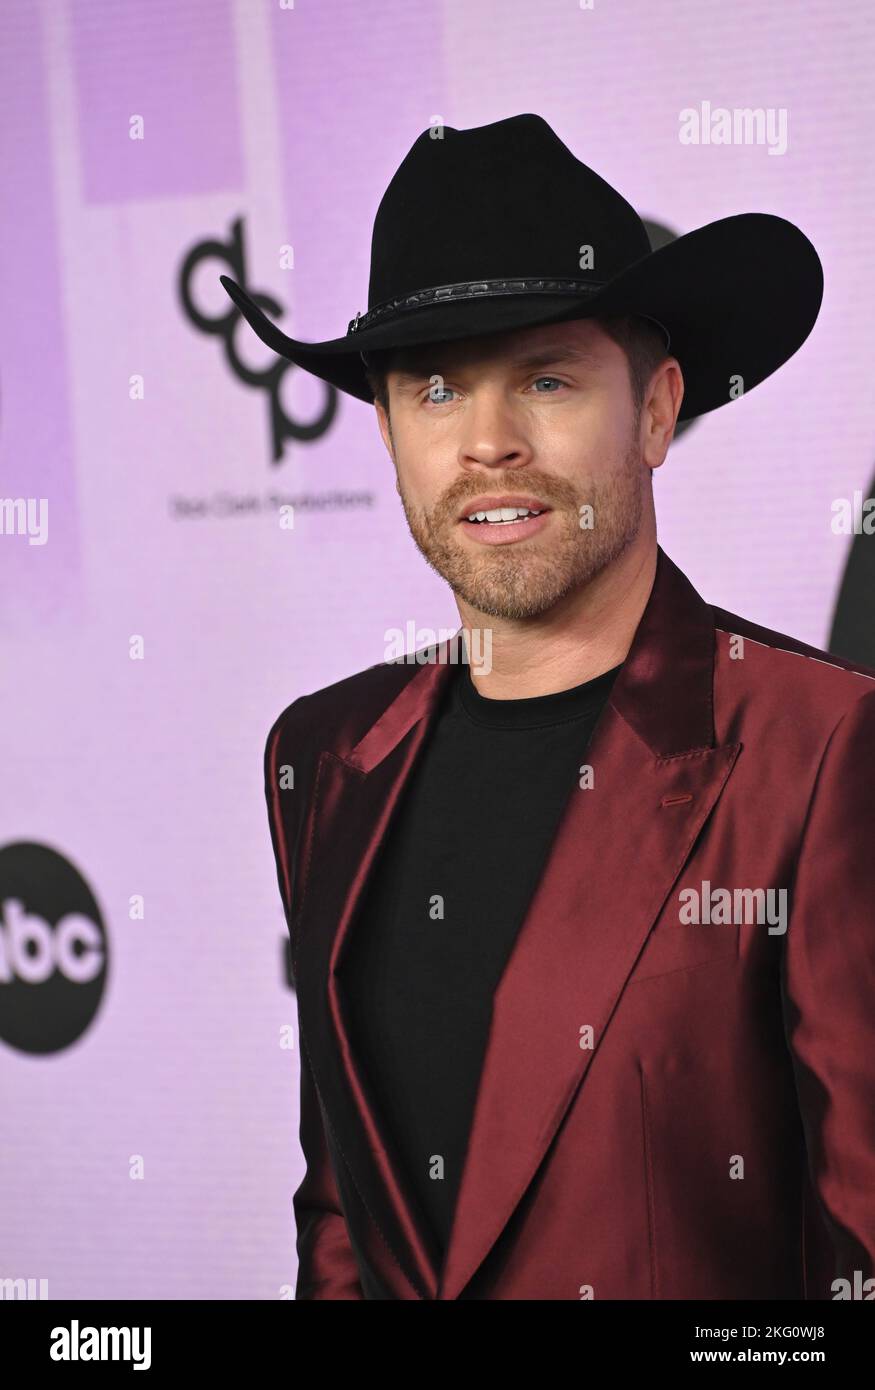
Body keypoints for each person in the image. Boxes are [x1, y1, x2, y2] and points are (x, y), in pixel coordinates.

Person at [222, 114, 875, 1300]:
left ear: (657, 408)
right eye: (434, 390)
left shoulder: (822, 744)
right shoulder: (322, 755)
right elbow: (341, 1217)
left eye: (544, 378)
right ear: (384, 432)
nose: (485, 443)